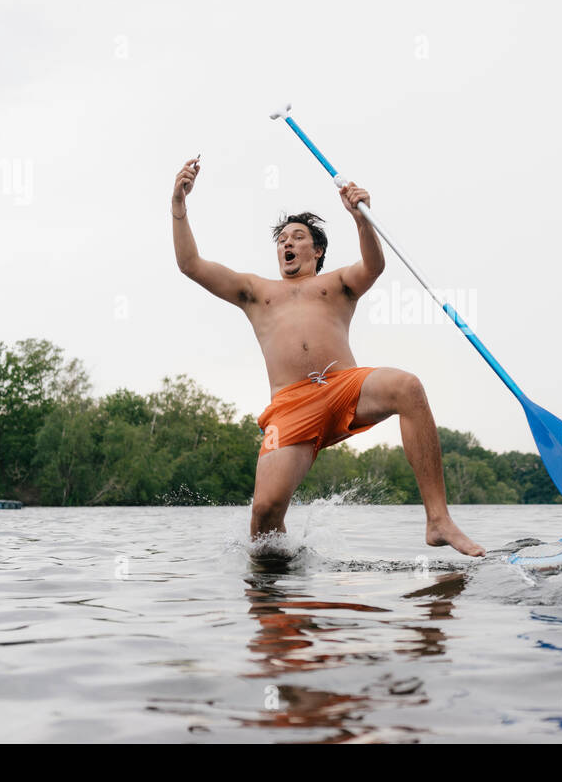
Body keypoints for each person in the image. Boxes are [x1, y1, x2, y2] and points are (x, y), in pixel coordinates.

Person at [170, 157, 485, 556]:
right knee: (264, 515)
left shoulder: (334, 284)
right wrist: (179, 207)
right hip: (290, 405)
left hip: (343, 386)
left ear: (317, 250)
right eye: (282, 238)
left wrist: (361, 219)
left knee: (407, 387)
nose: (287, 242)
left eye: (297, 236)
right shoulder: (255, 291)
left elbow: (374, 266)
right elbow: (190, 264)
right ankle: (279, 584)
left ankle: (438, 520)